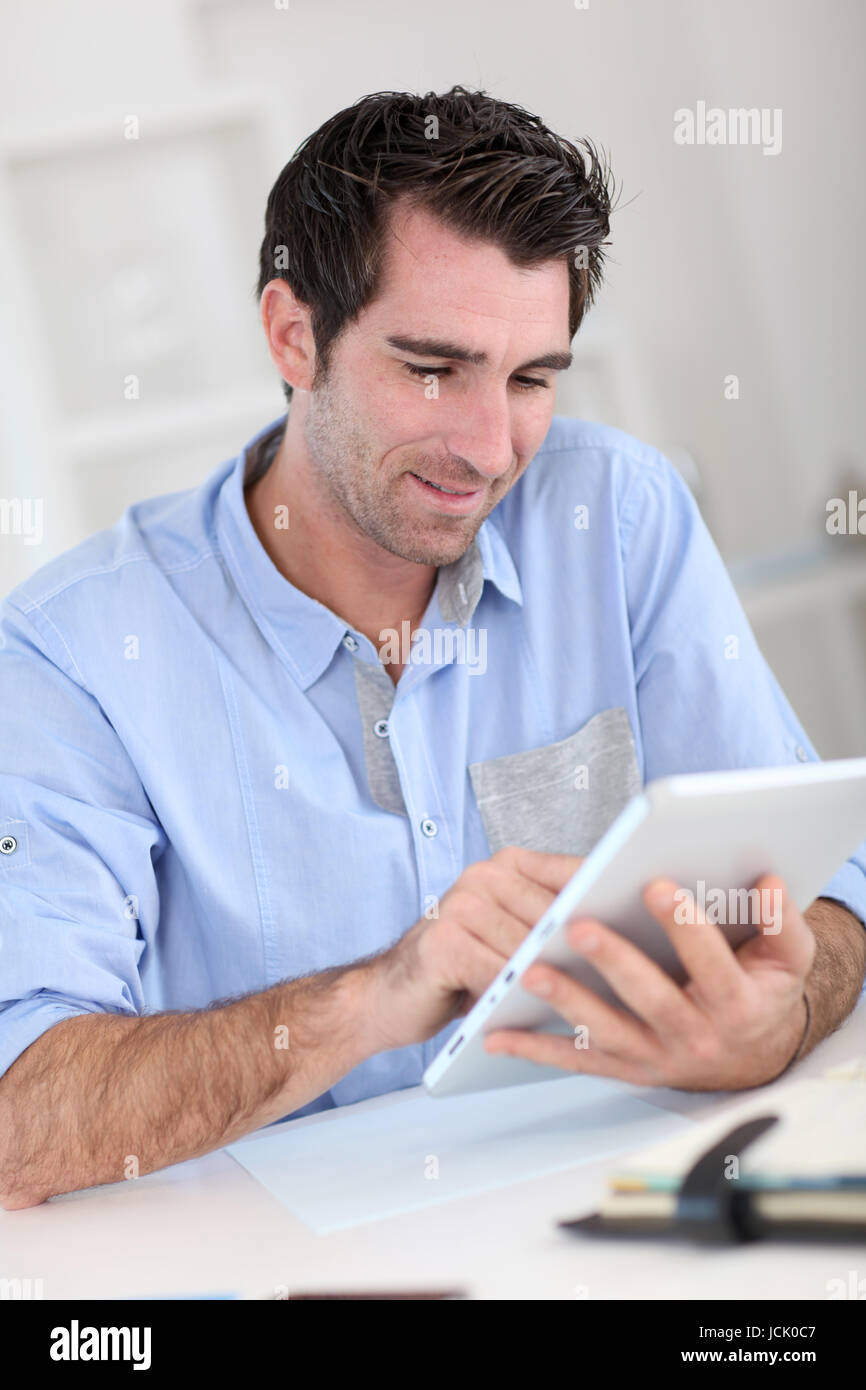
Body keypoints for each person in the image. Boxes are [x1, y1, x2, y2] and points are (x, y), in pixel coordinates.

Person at [1, 86, 864, 1210]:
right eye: (431, 367)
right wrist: (378, 992)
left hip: (609, 1215)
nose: (488, 446)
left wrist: (777, 1015)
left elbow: (833, 892)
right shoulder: (74, 651)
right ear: (293, 334)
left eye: (530, 378)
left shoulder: (618, 519)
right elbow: (25, 1116)